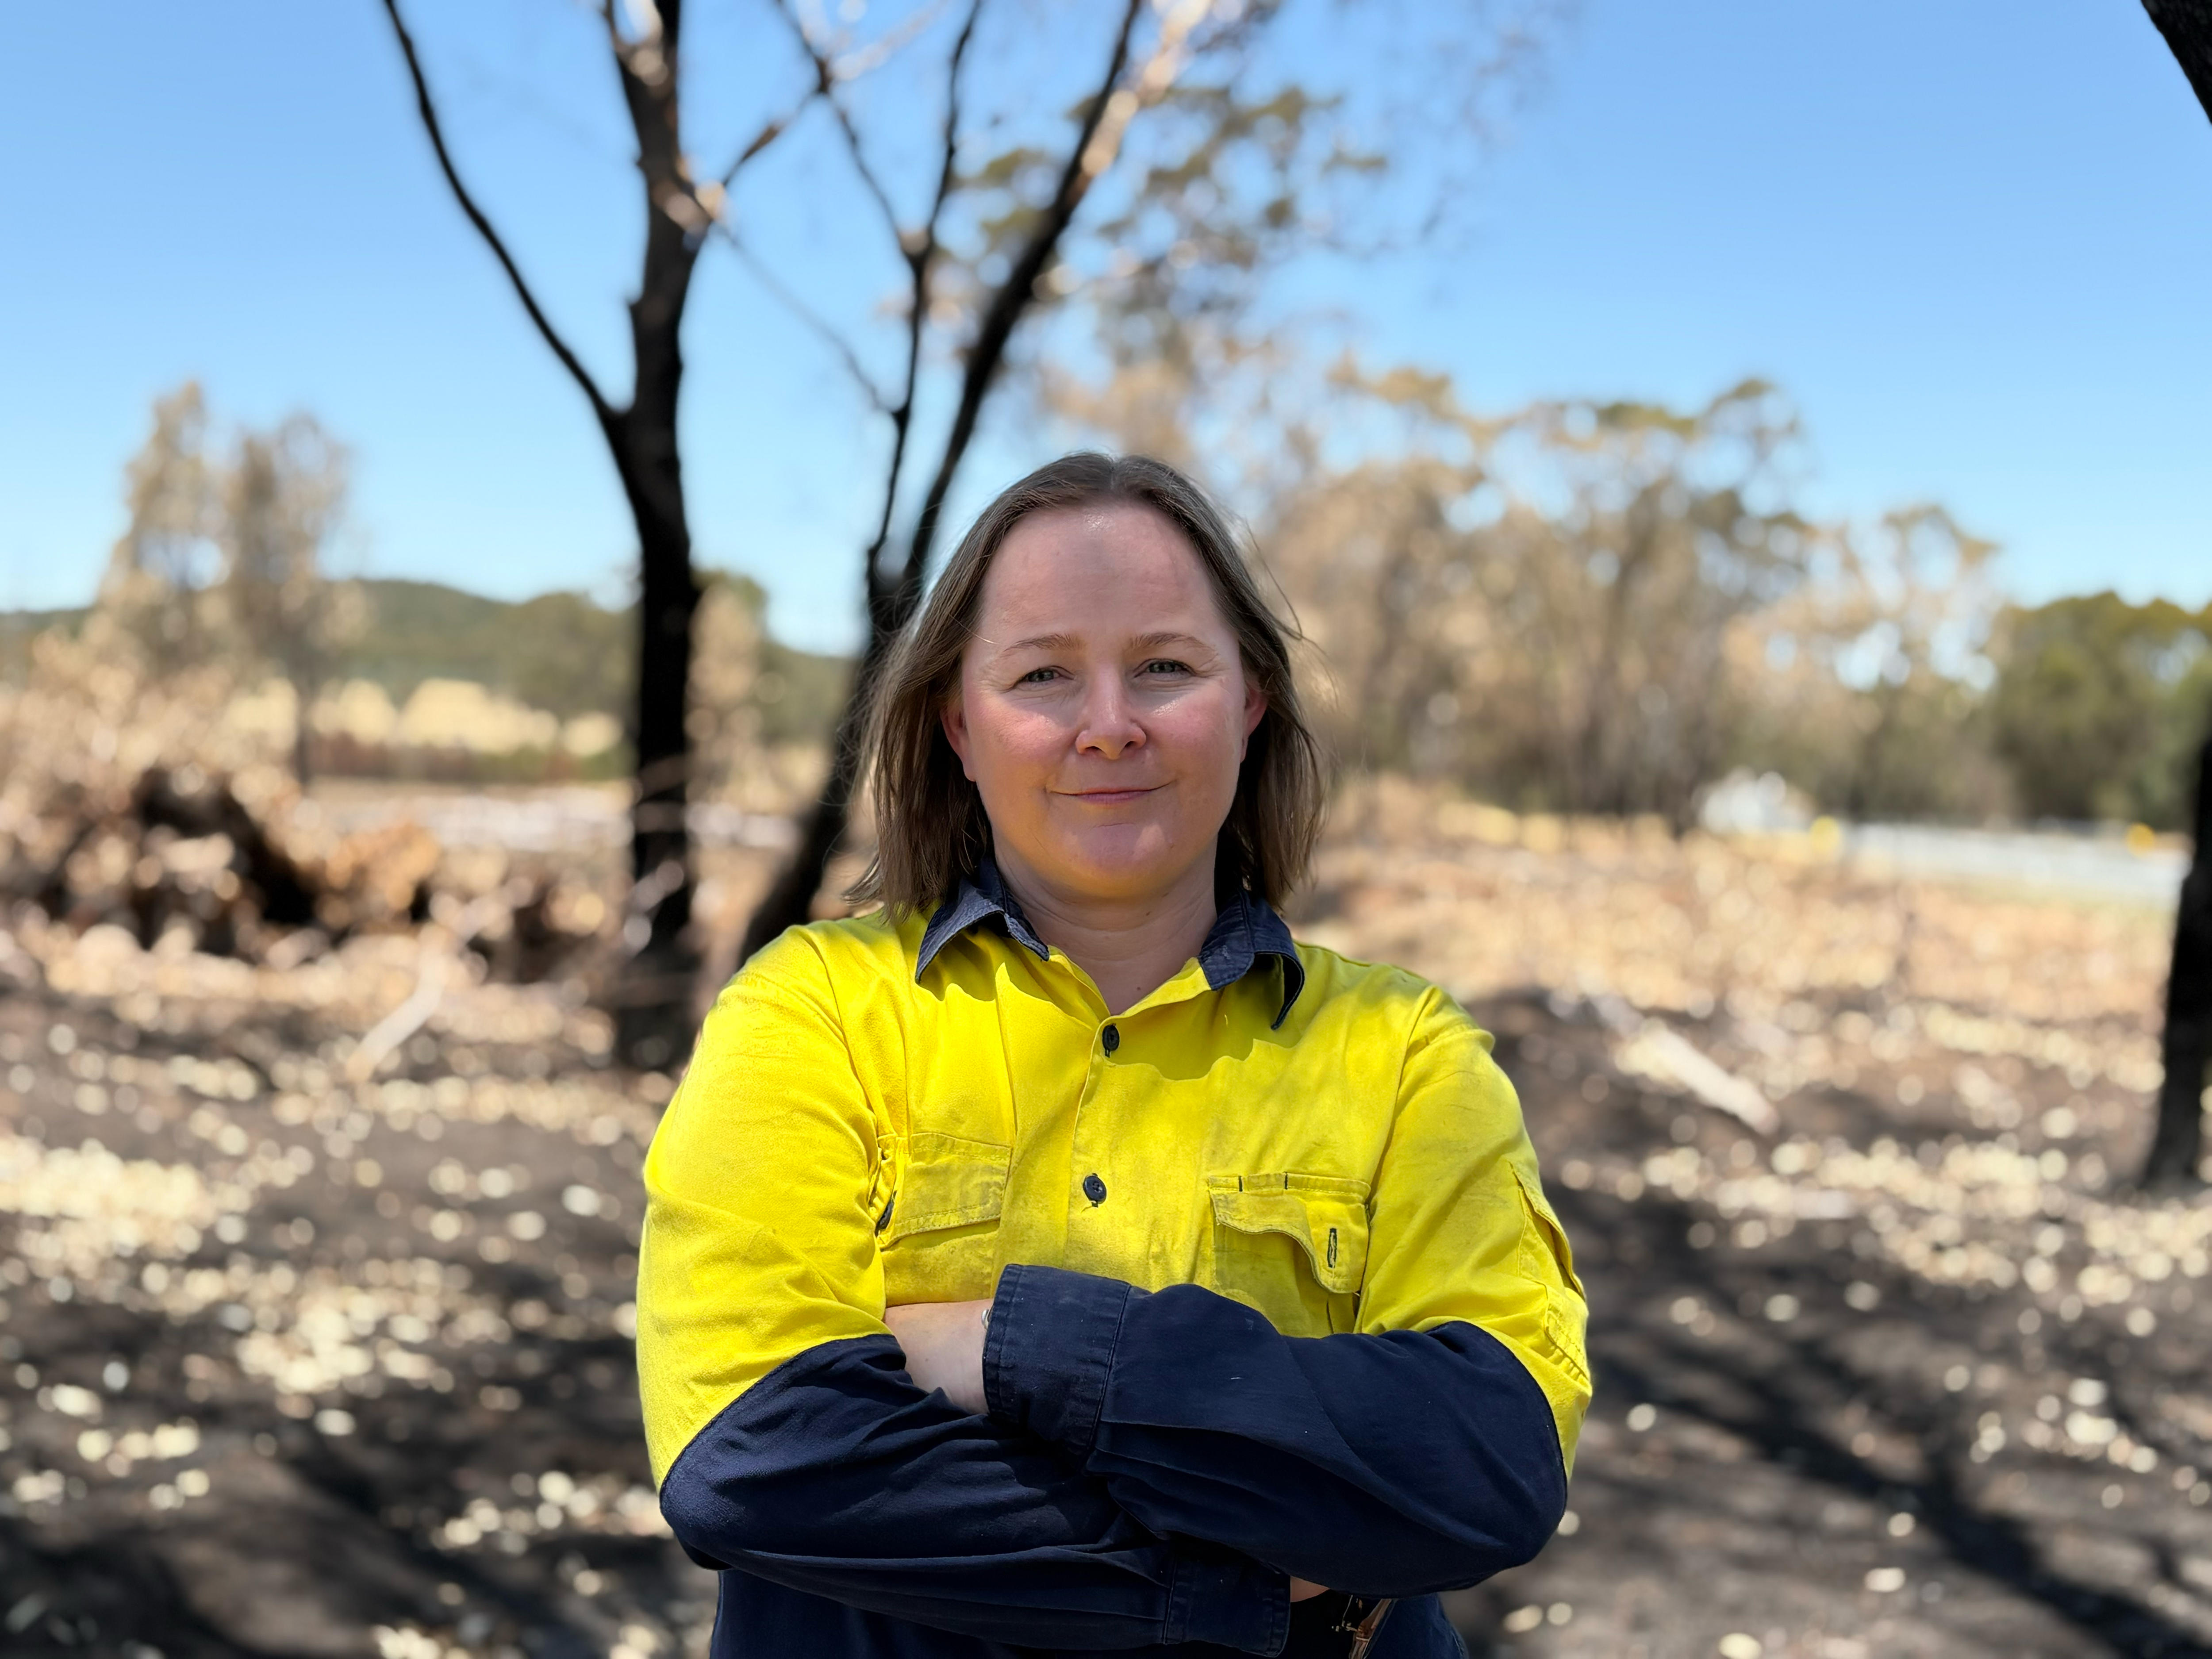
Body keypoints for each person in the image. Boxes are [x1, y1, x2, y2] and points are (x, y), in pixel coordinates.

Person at [636, 454, 1590, 1658]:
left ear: (1250, 701)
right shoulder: (812, 1012)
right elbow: (750, 1453)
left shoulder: (1405, 1056)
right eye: (1043, 674)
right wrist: (1250, 1580)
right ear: (959, 724)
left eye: (1165, 667)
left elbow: (1491, 1460)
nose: (1109, 726)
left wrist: (1006, 1347)